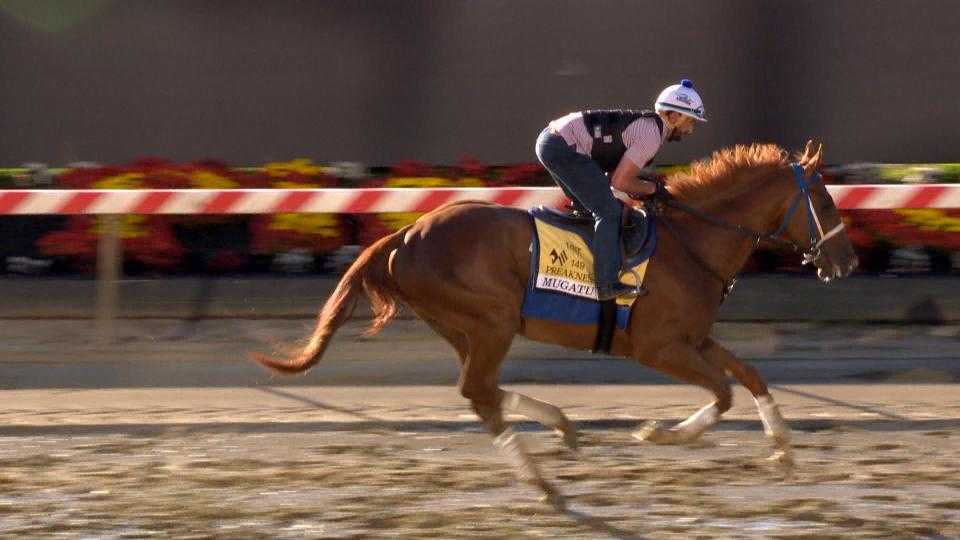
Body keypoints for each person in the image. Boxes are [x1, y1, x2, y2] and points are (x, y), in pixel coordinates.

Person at [535, 79, 707, 300]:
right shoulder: (651, 136)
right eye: (690, 121)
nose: (690, 129)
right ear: (674, 117)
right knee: (608, 212)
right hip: (561, 146)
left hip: (556, 142)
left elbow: (612, 177)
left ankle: (577, 274)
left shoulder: (649, 128)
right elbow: (620, 182)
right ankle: (606, 284)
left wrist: (649, 187)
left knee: (593, 208)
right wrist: (654, 189)